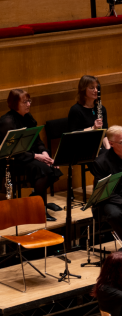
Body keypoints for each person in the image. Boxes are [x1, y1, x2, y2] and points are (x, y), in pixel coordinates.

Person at [0, 89, 63, 219]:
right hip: (12, 160)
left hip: (29, 156)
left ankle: (35, 200)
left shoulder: (28, 117)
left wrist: (45, 153)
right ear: (14, 103)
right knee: (43, 171)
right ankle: (39, 209)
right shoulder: (7, 121)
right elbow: (12, 151)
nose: (28, 104)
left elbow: (38, 141)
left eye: (29, 101)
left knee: (53, 167)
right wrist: (37, 156)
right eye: (24, 102)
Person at [67, 75, 110, 149]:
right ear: (83, 90)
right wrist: (93, 128)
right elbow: (73, 134)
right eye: (92, 88)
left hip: (99, 147)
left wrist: (109, 149)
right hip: (83, 148)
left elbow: (104, 134)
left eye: (97, 87)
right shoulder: (76, 110)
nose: (96, 90)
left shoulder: (102, 109)